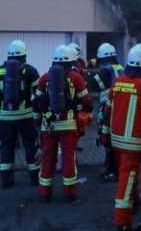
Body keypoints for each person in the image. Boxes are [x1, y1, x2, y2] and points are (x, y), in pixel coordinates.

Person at [100, 43, 141, 231]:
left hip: (116, 141)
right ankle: (123, 222)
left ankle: (135, 199)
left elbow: (106, 113)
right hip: (133, 144)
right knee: (126, 179)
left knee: (130, 173)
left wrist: (105, 137)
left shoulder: (118, 83)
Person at [34, 44, 93, 203]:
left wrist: (39, 122)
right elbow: (88, 104)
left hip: (48, 125)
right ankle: (70, 194)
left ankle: (45, 193)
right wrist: (77, 107)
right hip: (68, 126)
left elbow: (37, 104)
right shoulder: (76, 78)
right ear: (71, 61)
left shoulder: (45, 78)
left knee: (47, 159)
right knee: (68, 159)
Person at [0, 39, 41, 188]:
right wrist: (39, 111)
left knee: (6, 148)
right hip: (25, 116)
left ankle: (6, 180)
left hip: (5, 118)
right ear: (24, 55)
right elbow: (40, 95)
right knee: (30, 146)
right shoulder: (30, 71)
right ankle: (35, 179)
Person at [92, 42, 125, 182]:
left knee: (106, 136)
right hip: (120, 107)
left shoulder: (105, 71)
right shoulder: (121, 68)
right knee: (115, 137)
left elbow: (94, 85)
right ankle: (113, 166)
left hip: (107, 107)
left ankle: (111, 169)